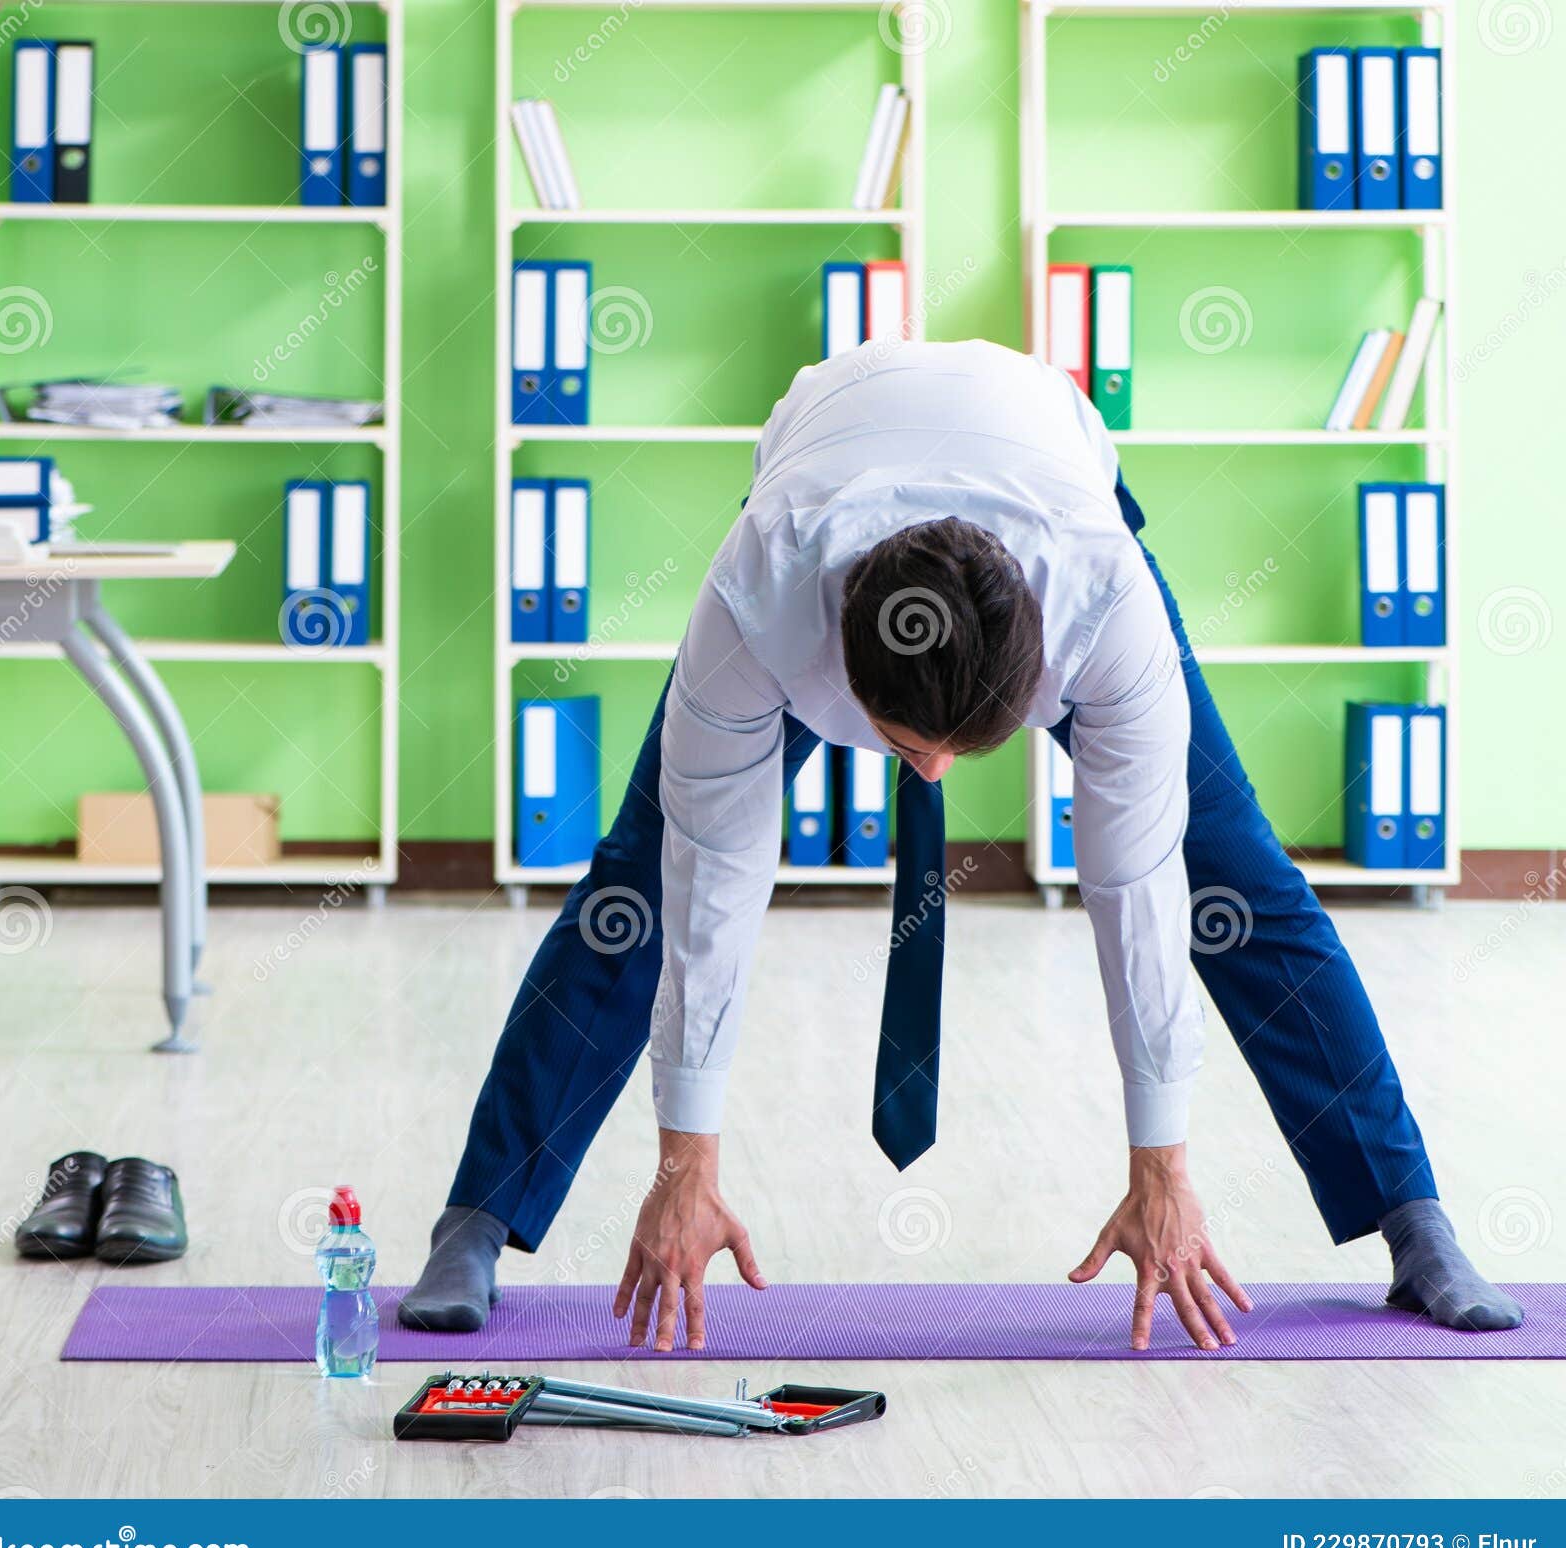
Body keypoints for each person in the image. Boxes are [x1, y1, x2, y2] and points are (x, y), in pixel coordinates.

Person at [401, 338, 1520, 1351]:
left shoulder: (1102, 610)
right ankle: (478, 1217)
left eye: (960, 750)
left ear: (1034, 680)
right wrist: (685, 1161)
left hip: (1048, 467)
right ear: (837, 669)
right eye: (906, 747)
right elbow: (712, 886)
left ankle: (1409, 1217)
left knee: (1235, 874)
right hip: (825, 461)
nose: (929, 774)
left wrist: (1161, 1166)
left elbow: (1136, 885)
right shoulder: (761, 606)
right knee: (637, 888)